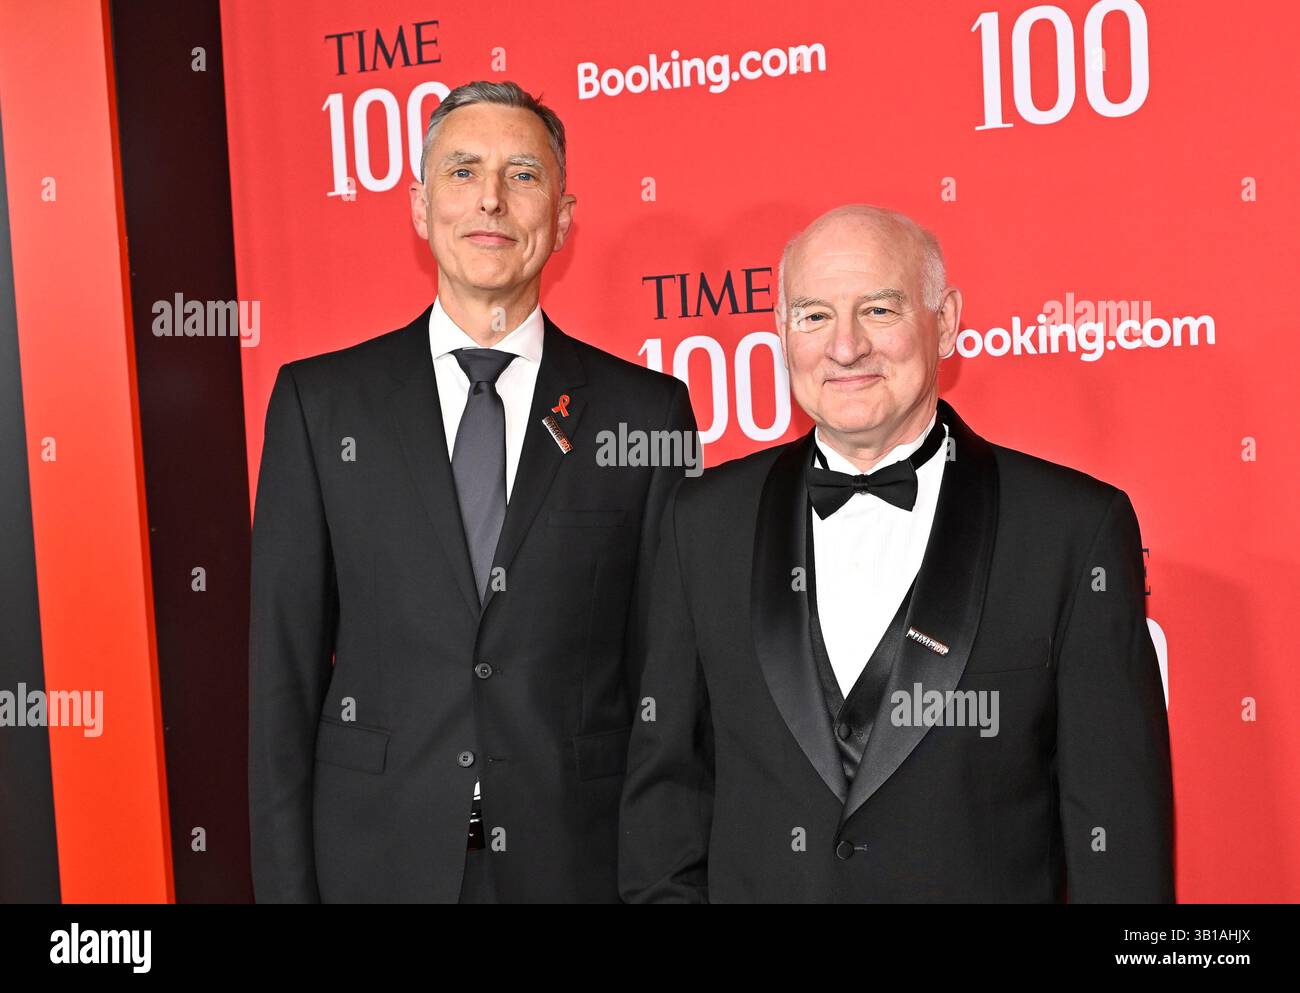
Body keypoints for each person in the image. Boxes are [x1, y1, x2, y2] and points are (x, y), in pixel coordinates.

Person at [619, 204, 1173, 902]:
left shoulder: (1071, 529)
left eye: (879, 310)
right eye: (814, 315)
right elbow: (666, 801)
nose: (845, 347)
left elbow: (1117, 836)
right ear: (783, 333)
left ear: (945, 321)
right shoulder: (702, 522)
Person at [250, 80, 696, 902]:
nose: (491, 197)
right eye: (462, 170)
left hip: (577, 865)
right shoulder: (320, 404)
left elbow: (666, 684)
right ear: (420, 207)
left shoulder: (647, 412)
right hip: (374, 865)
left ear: (562, 217)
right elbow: (281, 680)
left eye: (523, 174)